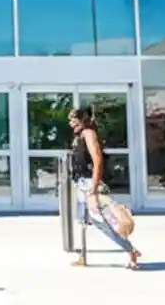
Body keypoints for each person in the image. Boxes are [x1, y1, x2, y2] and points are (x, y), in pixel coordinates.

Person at [68, 107, 141, 269]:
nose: (71, 122)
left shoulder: (89, 134)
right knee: (83, 221)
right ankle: (83, 256)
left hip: (89, 183)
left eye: (73, 119)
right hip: (81, 183)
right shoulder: (79, 137)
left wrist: (93, 189)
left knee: (103, 220)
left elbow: (98, 161)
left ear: (82, 119)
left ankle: (130, 250)